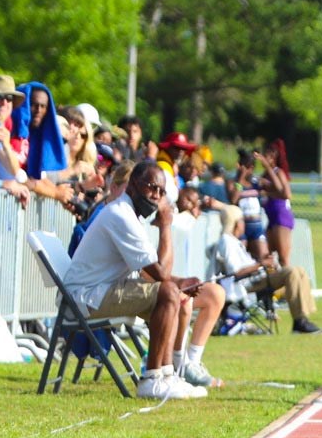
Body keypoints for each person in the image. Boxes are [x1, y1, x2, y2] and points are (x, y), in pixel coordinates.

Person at [63, 162, 225, 396]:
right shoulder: (121, 214)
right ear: (134, 185)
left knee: (172, 296)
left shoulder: (129, 214)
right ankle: (152, 379)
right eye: (152, 188)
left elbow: (156, 272)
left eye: (161, 192)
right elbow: (160, 273)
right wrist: (166, 225)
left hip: (97, 292)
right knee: (169, 292)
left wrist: (177, 283)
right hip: (85, 298)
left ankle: (168, 375)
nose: (157, 197)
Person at [196, 187, 322, 334]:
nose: (244, 224)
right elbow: (236, 272)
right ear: (237, 223)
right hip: (246, 284)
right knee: (292, 272)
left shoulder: (233, 241)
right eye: (242, 221)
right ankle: (299, 321)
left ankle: (303, 317)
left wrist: (261, 261)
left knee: (299, 271)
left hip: (254, 279)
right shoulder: (227, 242)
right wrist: (261, 264)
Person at [253, 140, 296, 270]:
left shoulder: (278, 172)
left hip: (281, 217)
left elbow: (286, 194)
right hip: (271, 219)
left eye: (266, 157)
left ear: (273, 158)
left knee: (283, 258)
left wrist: (268, 168)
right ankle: (273, 286)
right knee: (267, 257)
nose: (263, 160)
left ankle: (288, 285)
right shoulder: (264, 176)